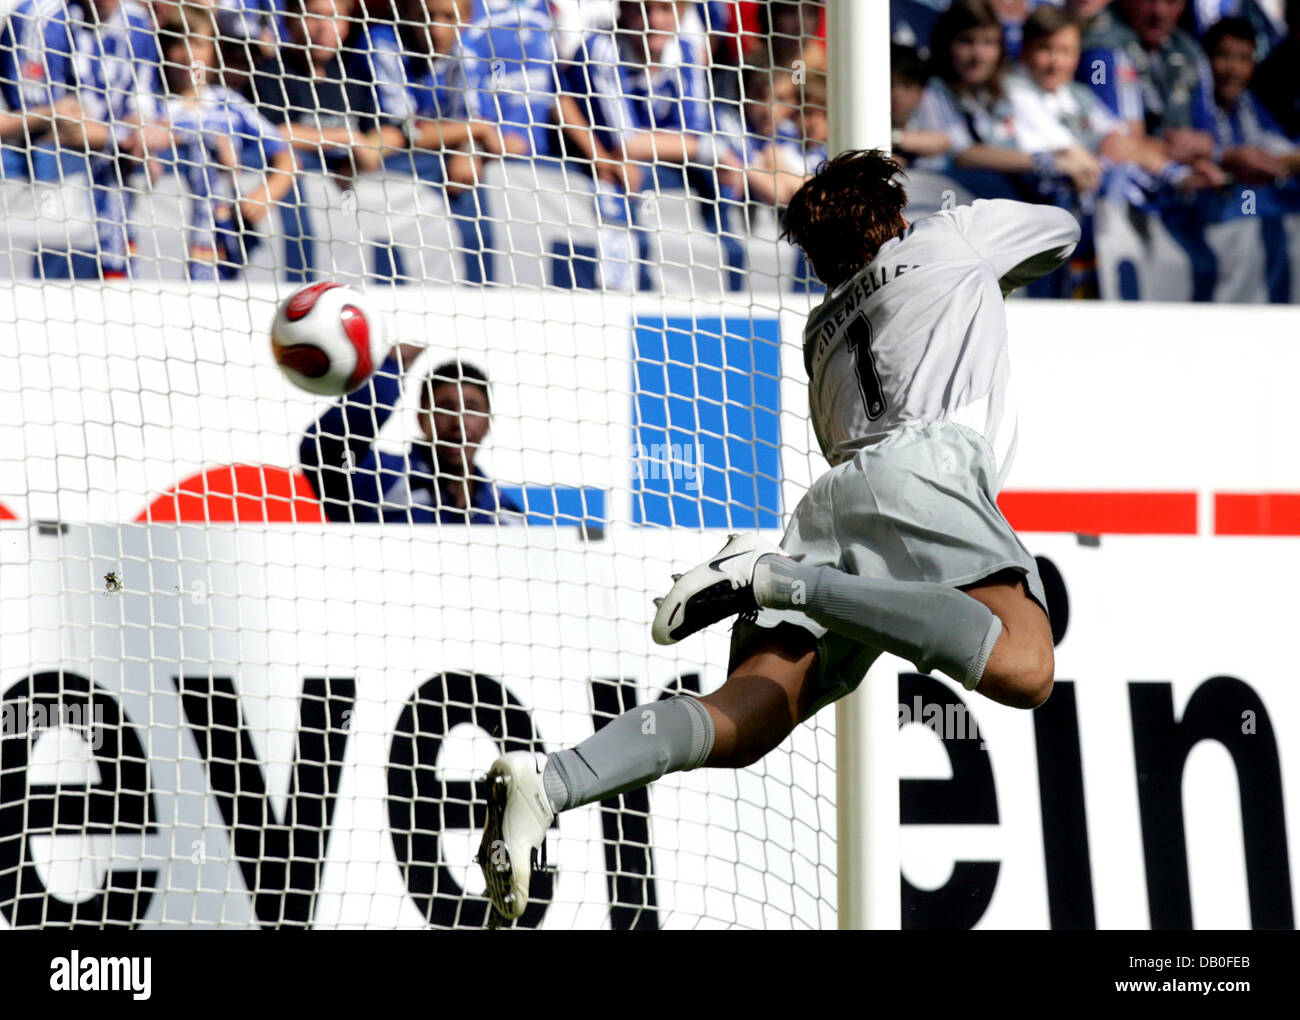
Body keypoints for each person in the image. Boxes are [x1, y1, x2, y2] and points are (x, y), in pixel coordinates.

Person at [476, 149, 1078, 923]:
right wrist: (975, 270)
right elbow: (1060, 231)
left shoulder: (820, 329)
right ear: (896, 213)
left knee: (747, 715)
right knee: (1025, 667)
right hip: (927, 470)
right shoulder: (952, 235)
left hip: (830, 506)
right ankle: (773, 579)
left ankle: (551, 782)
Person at [299, 342, 522, 524]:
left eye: (471, 409)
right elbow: (327, 451)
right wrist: (387, 371)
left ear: (488, 423)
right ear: (421, 418)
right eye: (445, 407)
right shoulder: (379, 480)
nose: (458, 422)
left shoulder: (506, 517)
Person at [156, 6, 296, 279]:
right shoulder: (153, 107)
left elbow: (285, 153)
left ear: (212, 51)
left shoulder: (228, 104)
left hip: (224, 244)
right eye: (178, 44)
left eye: (198, 44)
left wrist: (265, 194)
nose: (189, 57)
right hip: (164, 241)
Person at [1202, 15, 1300, 182]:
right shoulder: (1195, 103)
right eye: (1223, 55)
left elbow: (1273, 142)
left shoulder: (1247, 103)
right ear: (1206, 59)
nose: (1233, 69)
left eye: (1243, 59)